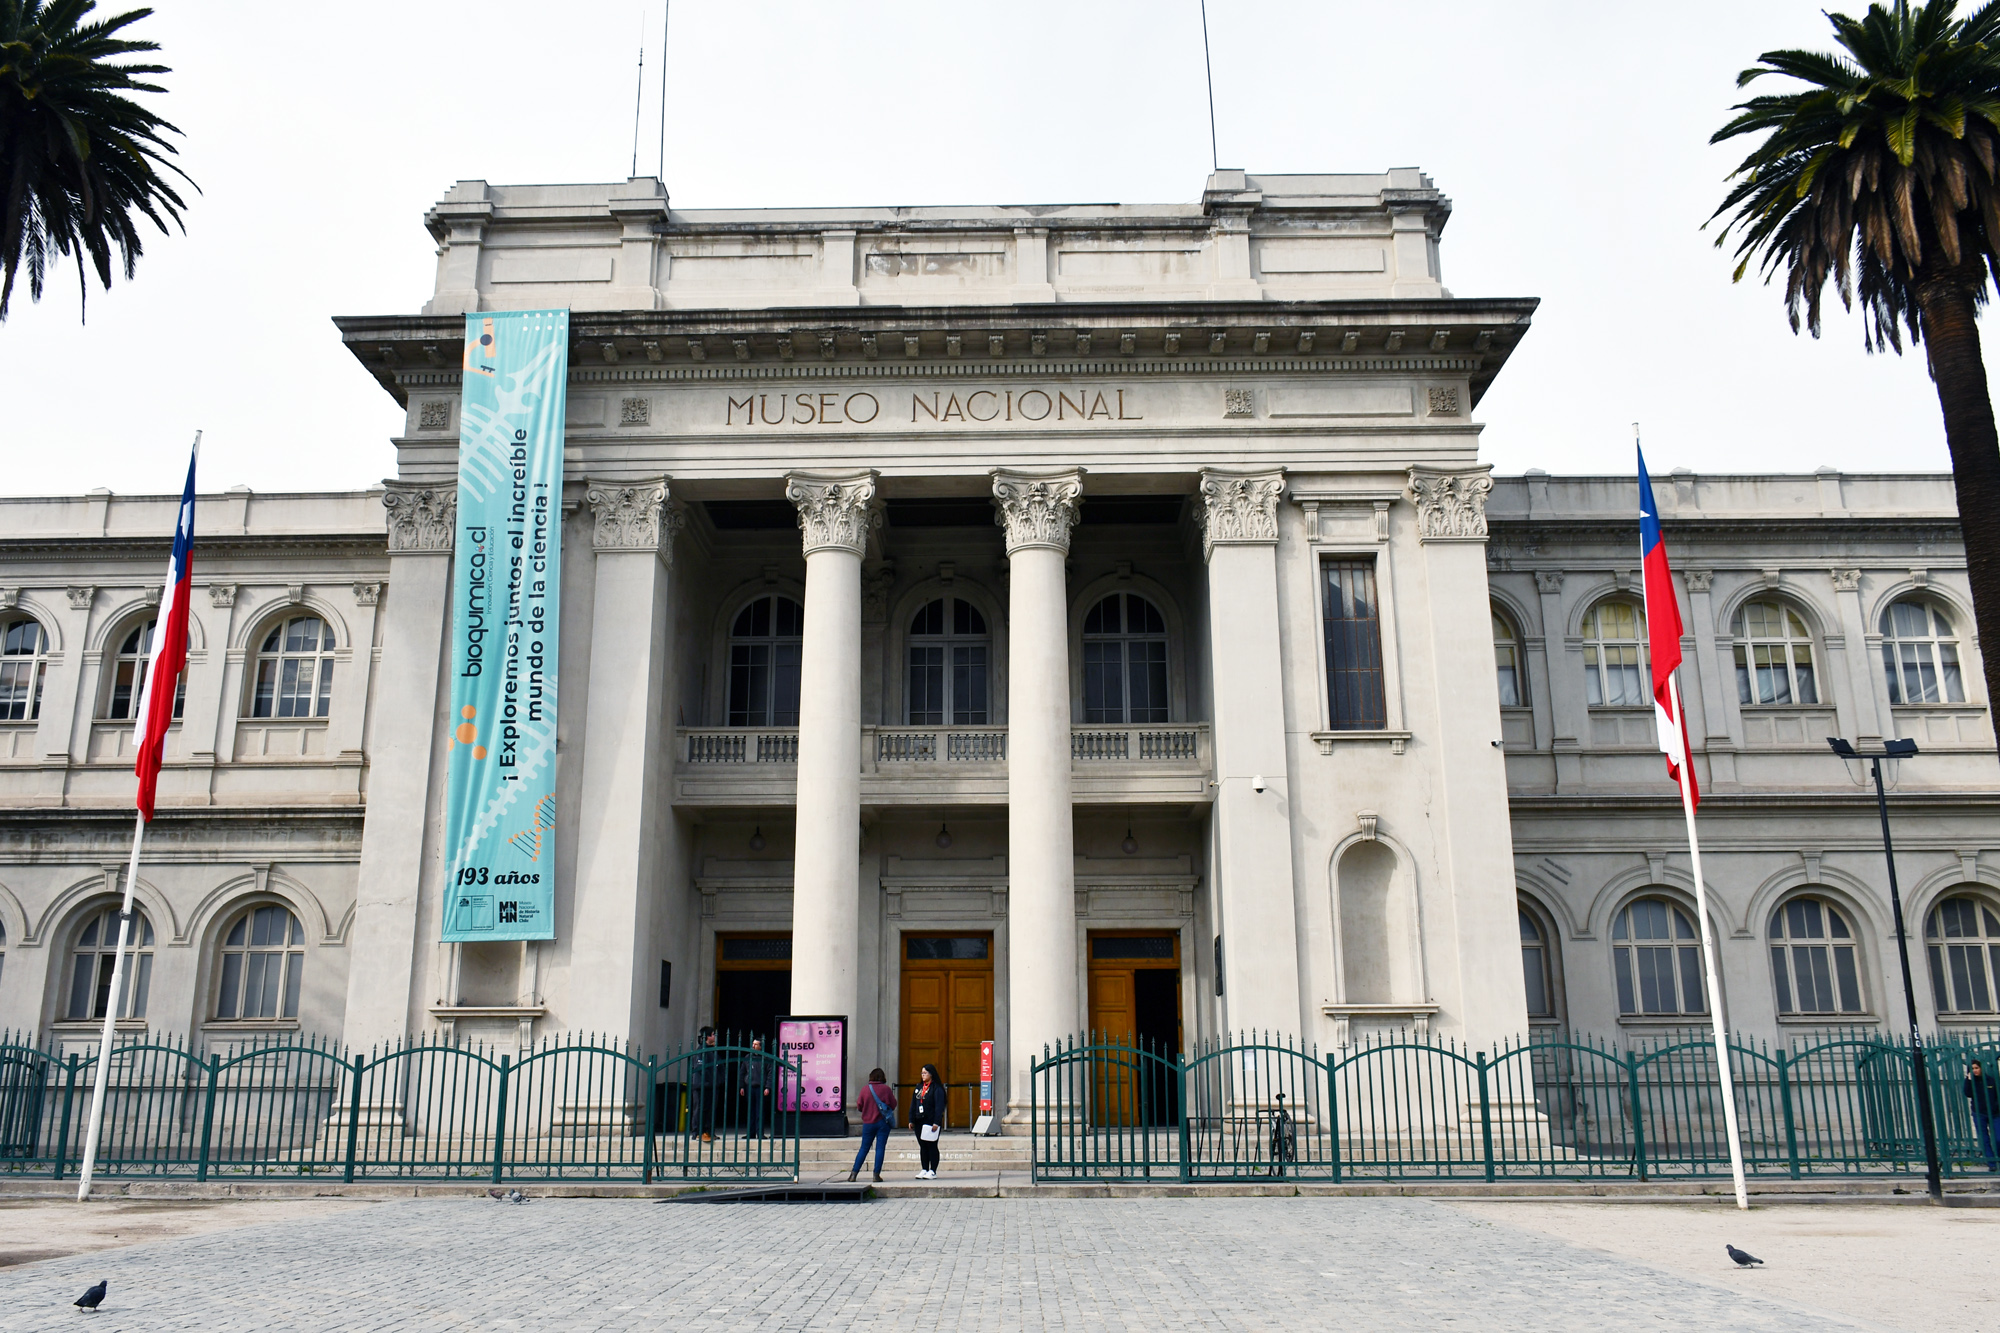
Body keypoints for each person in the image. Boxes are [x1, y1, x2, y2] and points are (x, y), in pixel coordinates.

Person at [848, 1067, 898, 1183]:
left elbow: (859, 1105)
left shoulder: (865, 1089)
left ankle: (853, 1174)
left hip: (868, 1123)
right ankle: (876, 1175)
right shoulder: (886, 1089)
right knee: (880, 1148)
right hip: (883, 1123)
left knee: (864, 1148)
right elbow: (893, 1104)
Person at [909, 1063, 946, 1179]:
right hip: (919, 1121)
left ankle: (933, 1170)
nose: (923, 1075)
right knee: (923, 1146)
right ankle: (924, 1168)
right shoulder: (919, 1088)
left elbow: (939, 1106)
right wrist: (911, 1120)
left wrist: (936, 1121)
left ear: (931, 1074)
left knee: (932, 1146)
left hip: (931, 1122)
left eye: (925, 1073)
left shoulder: (937, 1088)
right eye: (922, 1073)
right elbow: (913, 1105)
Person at [1966, 1058, 2000, 1172]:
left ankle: (1998, 1158)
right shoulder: (1971, 1081)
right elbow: (1968, 1093)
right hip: (1979, 1113)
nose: (1975, 1070)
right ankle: (1992, 1163)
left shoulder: (1990, 1080)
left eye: (1976, 1068)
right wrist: (1969, 1080)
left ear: (1981, 1068)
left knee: (1998, 1138)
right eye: (1972, 1069)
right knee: (1984, 1139)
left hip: (1995, 1113)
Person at [688, 1027, 720, 1144]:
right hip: (701, 1085)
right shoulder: (701, 1051)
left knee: (709, 1109)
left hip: (711, 1085)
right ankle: (697, 1132)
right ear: (707, 1037)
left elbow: (719, 1067)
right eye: (713, 1034)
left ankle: (708, 1131)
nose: (714, 1037)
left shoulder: (713, 1051)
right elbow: (700, 1069)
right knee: (700, 1108)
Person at [739, 1036, 772, 1140]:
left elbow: (770, 1074)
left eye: (756, 1044)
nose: (753, 1046)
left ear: (761, 1046)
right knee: (750, 1111)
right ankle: (750, 1133)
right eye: (753, 1044)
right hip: (749, 1087)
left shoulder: (766, 1058)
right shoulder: (748, 1057)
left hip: (760, 1087)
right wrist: (741, 1086)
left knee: (760, 1111)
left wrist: (768, 1087)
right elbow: (742, 1072)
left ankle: (760, 1133)